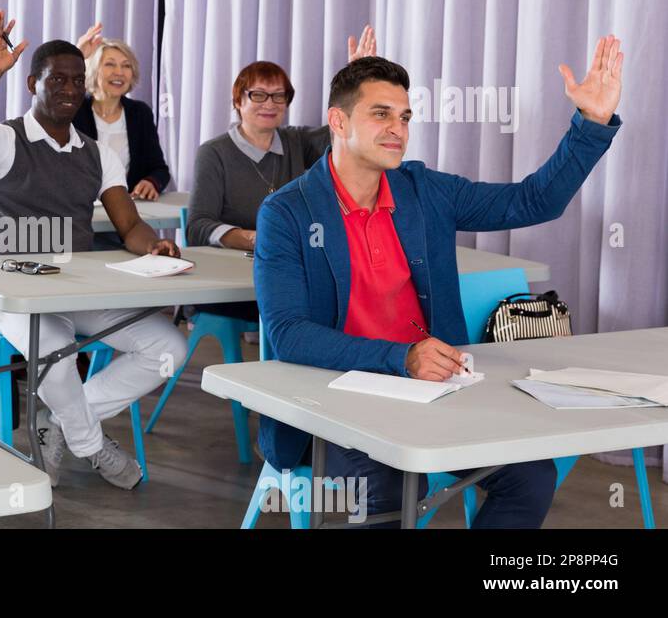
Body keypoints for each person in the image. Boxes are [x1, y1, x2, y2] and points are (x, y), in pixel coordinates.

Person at [255, 37, 624, 527]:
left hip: (434, 390)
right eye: (381, 114)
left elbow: (534, 201)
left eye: (405, 117)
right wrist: (400, 358)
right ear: (338, 122)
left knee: (529, 474)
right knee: (375, 491)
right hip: (334, 398)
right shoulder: (286, 212)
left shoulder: (424, 191)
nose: (397, 130)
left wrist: (591, 124)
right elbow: (289, 334)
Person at [0, 11, 189, 491]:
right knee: (52, 351)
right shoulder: (5, 139)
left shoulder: (97, 154)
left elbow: (129, 225)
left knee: (169, 348)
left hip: (82, 290)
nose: (71, 89)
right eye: (58, 79)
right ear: (33, 82)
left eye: (78, 80)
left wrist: (155, 246)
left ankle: (67, 426)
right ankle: (92, 445)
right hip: (18, 293)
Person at [187, 26, 377, 324]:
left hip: (293, 270)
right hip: (231, 281)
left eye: (279, 96)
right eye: (258, 95)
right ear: (238, 100)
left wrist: (358, 80)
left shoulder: (297, 141)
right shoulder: (214, 152)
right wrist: (256, 239)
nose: (270, 104)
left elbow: (345, 132)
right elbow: (198, 227)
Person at [72, 24, 171, 201]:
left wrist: (151, 182)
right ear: (93, 70)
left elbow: (159, 169)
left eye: (126, 66)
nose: (119, 72)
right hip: (77, 210)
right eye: (110, 64)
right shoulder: (73, 110)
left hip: (124, 211)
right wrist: (76, 56)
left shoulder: (140, 113)